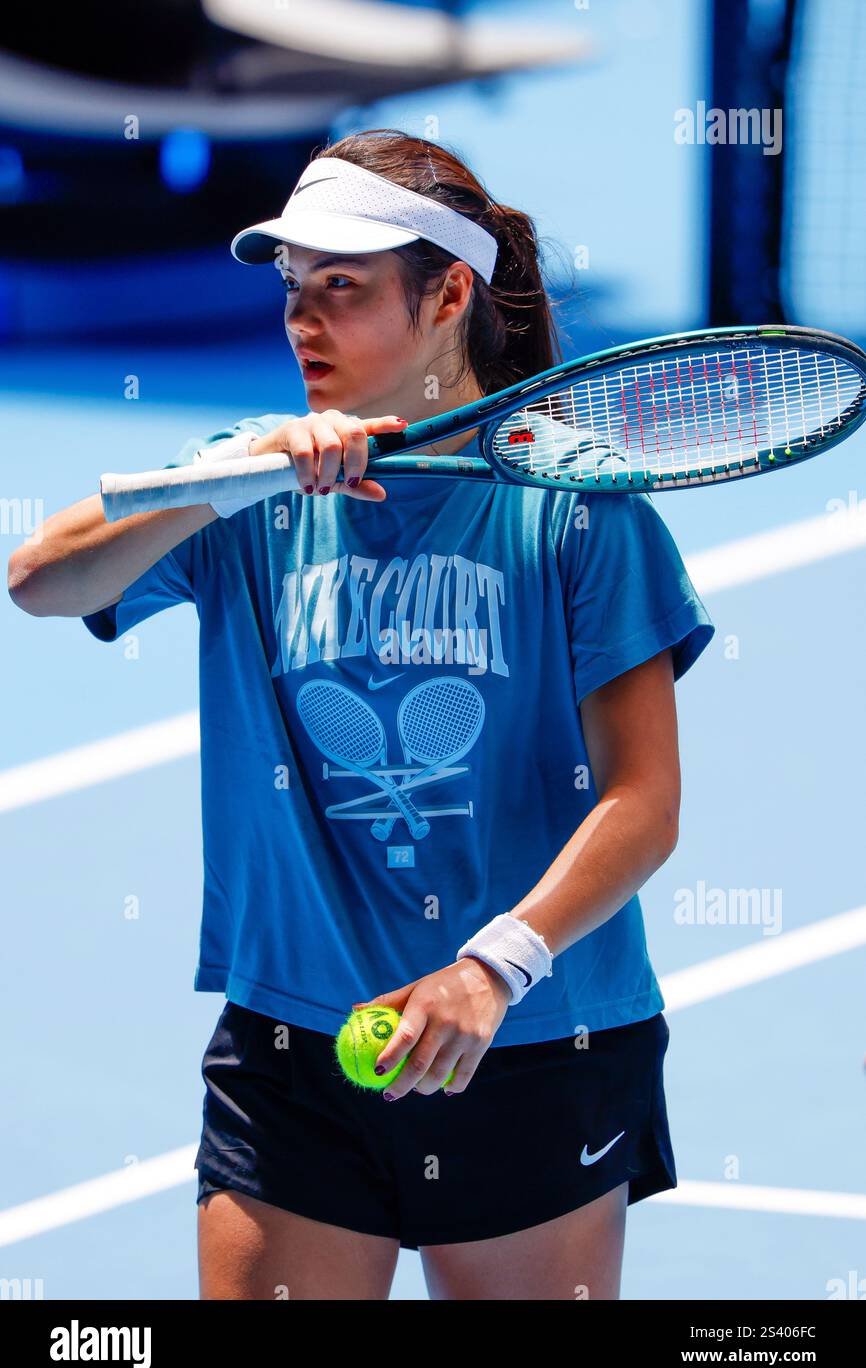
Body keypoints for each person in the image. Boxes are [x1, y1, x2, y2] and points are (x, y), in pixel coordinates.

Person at [8, 129, 715, 1300]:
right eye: (293, 289)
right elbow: (40, 579)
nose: (302, 321)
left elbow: (642, 801)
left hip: (531, 1047)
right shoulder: (242, 487)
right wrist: (235, 471)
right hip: (290, 1052)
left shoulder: (575, 505)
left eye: (340, 287)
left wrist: (492, 968)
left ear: (446, 294)